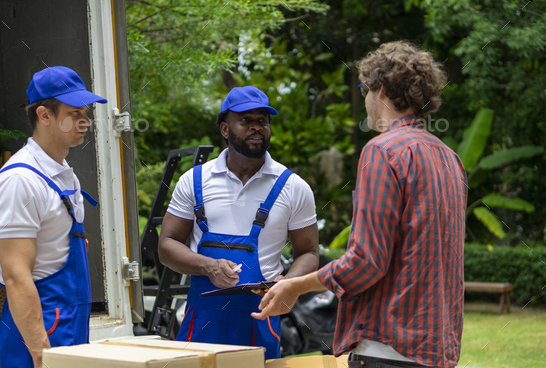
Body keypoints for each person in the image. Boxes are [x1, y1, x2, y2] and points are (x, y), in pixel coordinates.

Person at [252, 41, 468, 368]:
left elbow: (366, 261)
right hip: (439, 348)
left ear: (379, 90)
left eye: (363, 87)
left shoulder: (382, 151)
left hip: (388, 348)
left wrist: (294, 286)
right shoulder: (449, 158)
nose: (364, 97)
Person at [158, 85, 319, 359]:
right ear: (224, 129)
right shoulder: (194, 181)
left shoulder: (293, 187)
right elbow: (166, 246)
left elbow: (309, 253)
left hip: (260, 318)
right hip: (202, 323)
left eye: (263, 121)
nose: (256, 128)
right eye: (245, 121)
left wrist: (289, 284)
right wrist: (208, 266)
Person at [0, 66, 107, 368]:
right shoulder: (20, 181)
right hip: (39, 331)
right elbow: (16, 277)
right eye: (75, 113)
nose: (85, 121)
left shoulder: (65, 175)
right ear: (44, 115)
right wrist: (42, 356)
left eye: (86, 112)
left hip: (70, 322)